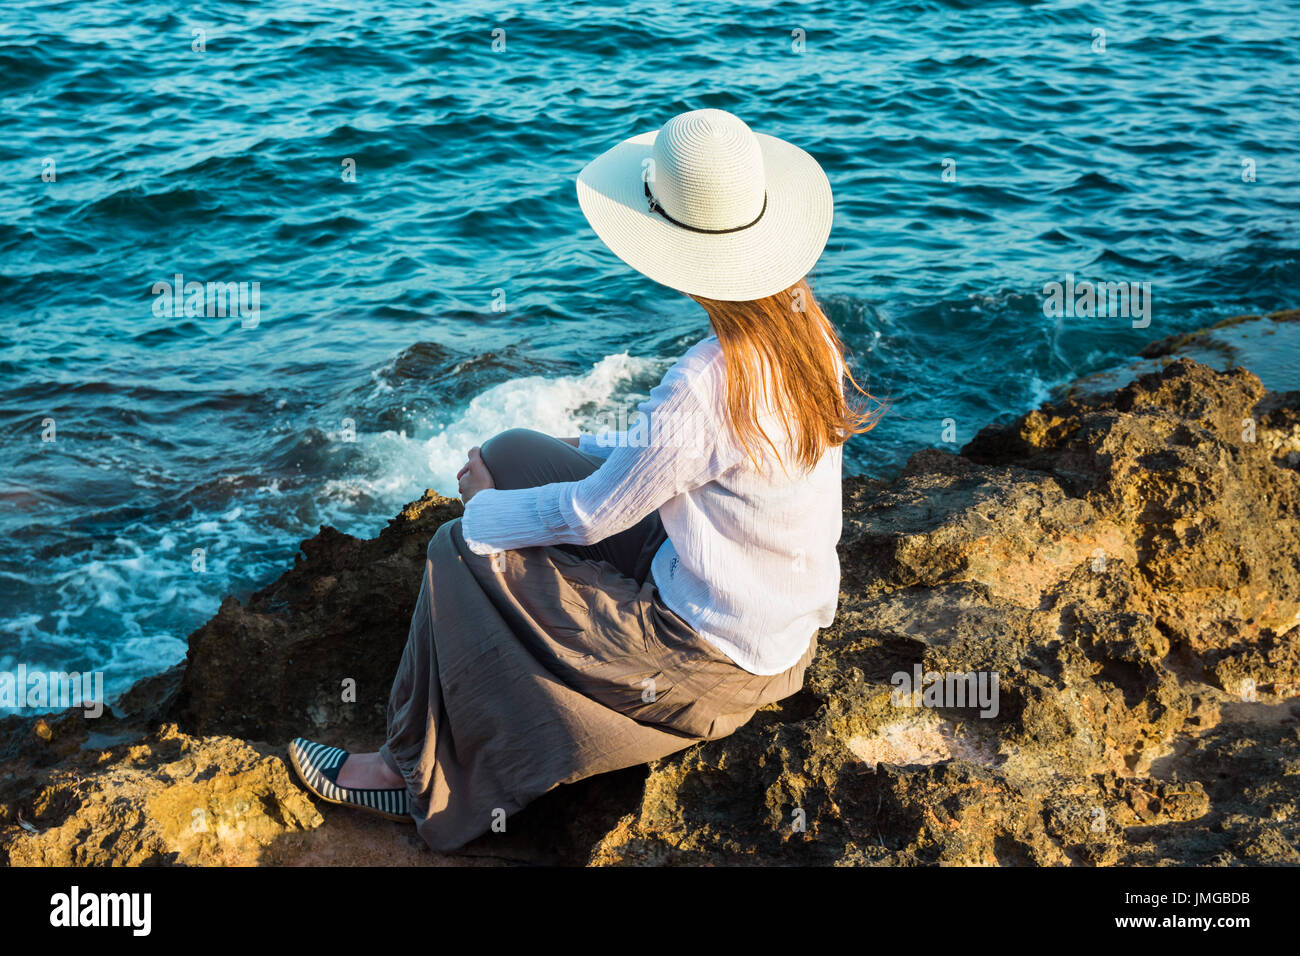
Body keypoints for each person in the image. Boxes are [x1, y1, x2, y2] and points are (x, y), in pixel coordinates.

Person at [288, 108, 887, 851]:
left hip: (706, 660)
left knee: (458, 545)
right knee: (514, 448)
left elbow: (588, 517)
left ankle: (408, 772)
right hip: (771, 628)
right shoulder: (805, 332)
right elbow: (686, 453)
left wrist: (486, 509)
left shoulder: (707, 380)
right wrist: (572, 447)